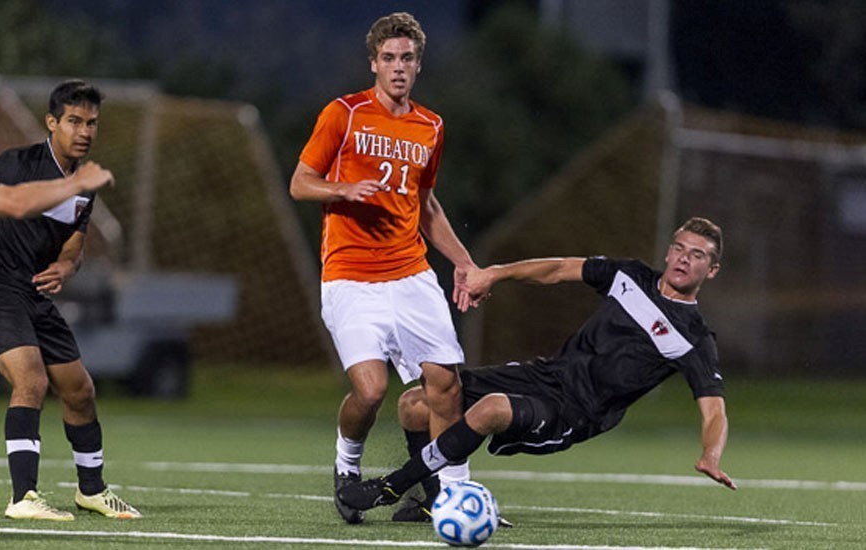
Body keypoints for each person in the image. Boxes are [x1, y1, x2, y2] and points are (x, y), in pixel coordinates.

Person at [338, 217, 736, 516]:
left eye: (697, 255)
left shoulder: (695, 339)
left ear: (712, 271)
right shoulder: (627, 276)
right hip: (547, 376)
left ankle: (389, 488)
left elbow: (713, 410)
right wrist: (495, 273)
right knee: (415, 402)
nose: (684, 259)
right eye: (680, 248)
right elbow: (559, 268)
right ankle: (435, 501)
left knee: (491, 408)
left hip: (576, 413)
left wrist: (711, 455)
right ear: (668, 251)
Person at [289, 12, 483, 524]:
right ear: (374, 62)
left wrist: (463, 263)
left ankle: (452, 494)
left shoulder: (430, 126)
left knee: (445, 385)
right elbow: (300, 182)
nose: (399, 67)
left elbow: (428, 206)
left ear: (419, 64)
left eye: (408, 58)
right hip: (350, 275)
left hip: (411, 273)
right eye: (390, 58)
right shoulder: (344, 113)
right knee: (371, 390)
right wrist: (342, 190)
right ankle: (346, 466)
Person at [0, 80, 141, 521]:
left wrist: (66, 267)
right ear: (52, 122)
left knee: (80, 389)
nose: (84, 131)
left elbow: (74, 243)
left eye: (92, 123)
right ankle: (23, 497)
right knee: (31, 379)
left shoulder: (84, 185)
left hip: (34, 290)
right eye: (74, 121)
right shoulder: (17, 163)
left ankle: (92, 491)